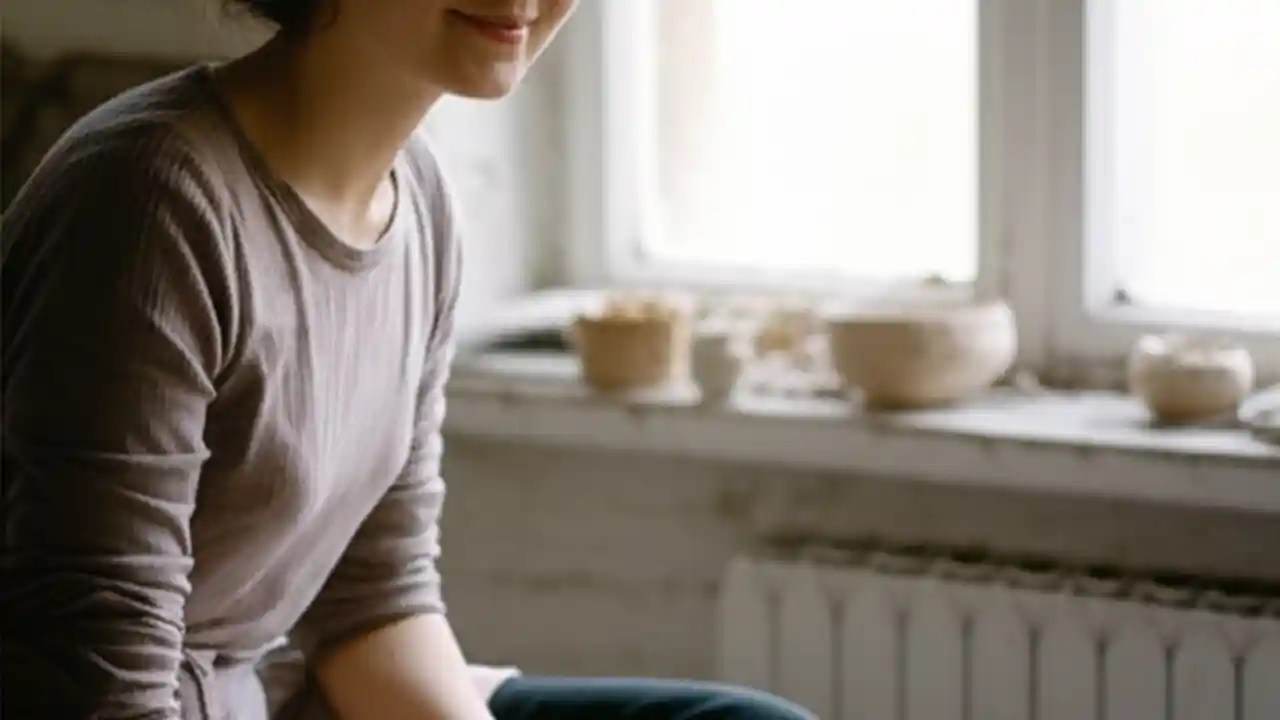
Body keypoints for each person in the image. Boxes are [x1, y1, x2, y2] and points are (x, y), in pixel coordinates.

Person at [0, 1, 815, 718]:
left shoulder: (418, 199)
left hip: (278, 691)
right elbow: (95, 692)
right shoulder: (150, 205)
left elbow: (373, 606)